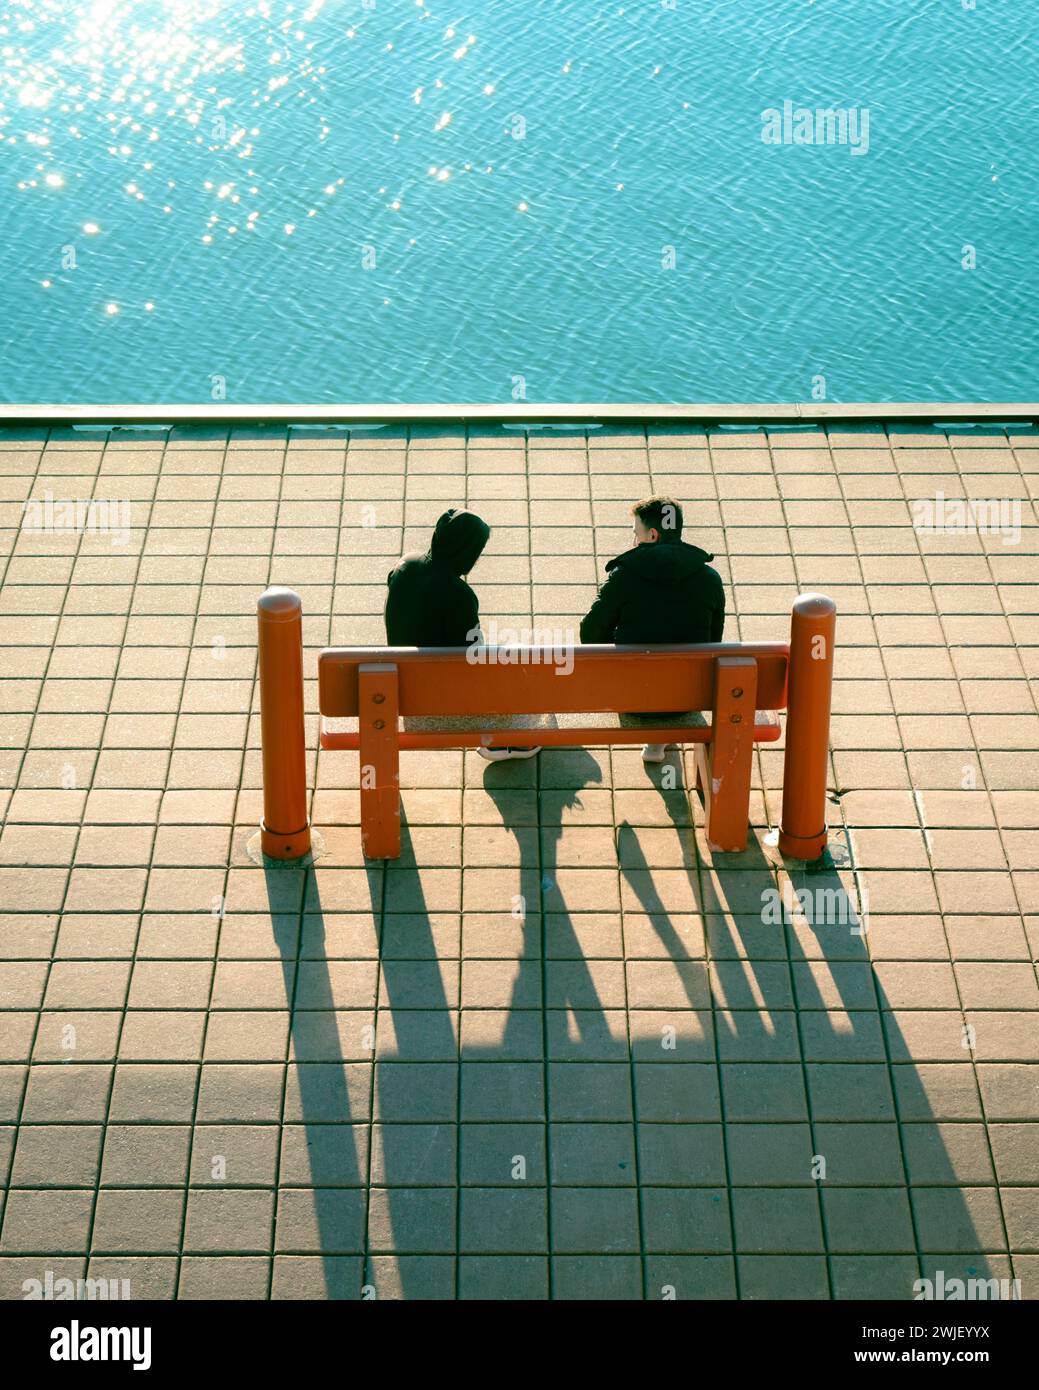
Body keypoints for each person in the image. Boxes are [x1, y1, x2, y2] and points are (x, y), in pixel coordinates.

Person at [385, 507, 540, 761]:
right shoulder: (459, 596)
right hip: (436, 697)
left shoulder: (406, 564)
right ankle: (505, 740)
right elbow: (472, 659)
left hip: (399, 683)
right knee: (519, 658)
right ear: (466, 552)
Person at [579, 495, 725, 763]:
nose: (634, 541)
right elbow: (714, 640)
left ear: (653, 535)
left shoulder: (623, 576)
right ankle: (659, 739)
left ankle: (656, 737)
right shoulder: (710, 579)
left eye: (636, 533)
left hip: (633, 698)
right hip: (687, 697)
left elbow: (590, 633)